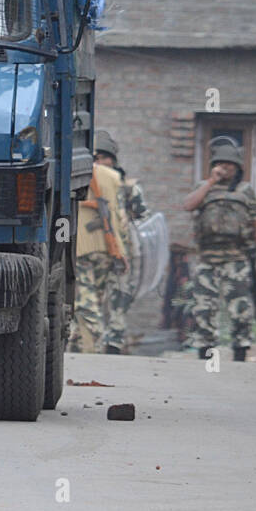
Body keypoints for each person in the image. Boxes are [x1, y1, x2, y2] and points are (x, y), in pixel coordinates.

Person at [182, 139, 256, 362]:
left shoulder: (245, 191)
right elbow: (188, 205)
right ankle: (205, 353)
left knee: (241, 310)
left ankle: (240, 355)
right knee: (203, 309)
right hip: (207, 258)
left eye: (229, 164)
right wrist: (211, 181)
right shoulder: (204, 187)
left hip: (236, 258)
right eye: (221, 164)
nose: (225, 168)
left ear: (238, 167)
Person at [92, 130, 150, 354]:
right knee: (90, 299)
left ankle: (114, 343)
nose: (99, 163)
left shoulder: (126, 186)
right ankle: (88, 342)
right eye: (95, 159)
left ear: (112, 160)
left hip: (120, 251)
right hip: (92, 249)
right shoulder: (86, 184)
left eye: (103, 158)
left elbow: (143, 215)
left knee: (119, 296)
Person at [70, 157, 129, 354]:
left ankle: (90, 348)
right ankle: (79, 346)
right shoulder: (113, 177)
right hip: (105, 247)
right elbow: (118, 217)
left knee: (85, 301)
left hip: (79, 247)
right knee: (93, 298)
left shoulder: (72, 169)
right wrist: (120, 251)